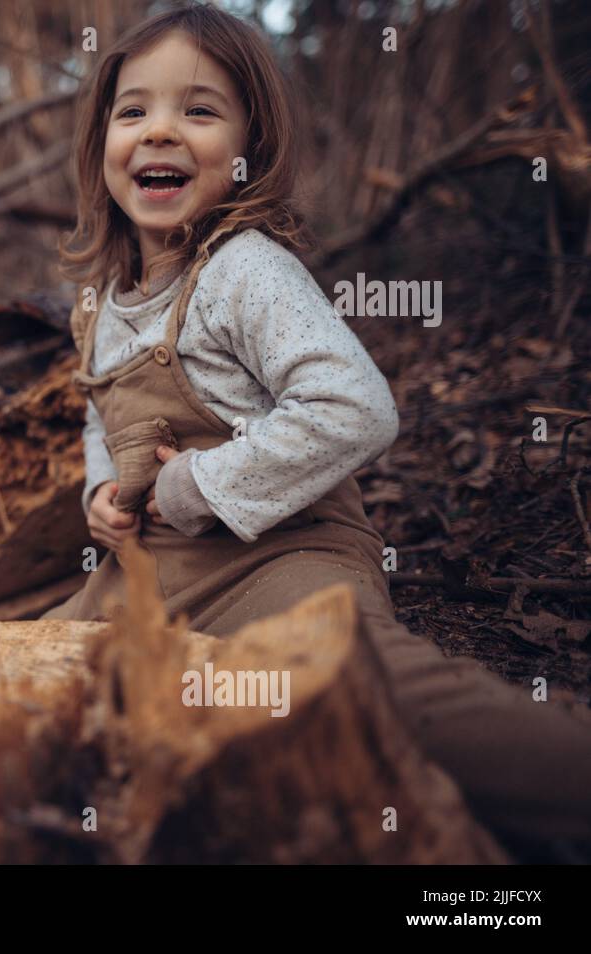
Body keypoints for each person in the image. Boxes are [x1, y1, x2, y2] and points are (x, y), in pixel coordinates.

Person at [39, 3, 591, 858]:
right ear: (100, 143)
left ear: (248, 148)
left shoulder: (246, 272)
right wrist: (100, 497)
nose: (161, 133)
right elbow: (99, 420)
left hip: (281, 562)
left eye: (199, 110)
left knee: (363, 689)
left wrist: (197, 486)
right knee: (25, 689)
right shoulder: (100, 304)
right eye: (134, 110)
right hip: (144, 583)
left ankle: (558, 786)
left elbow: (356, 408)